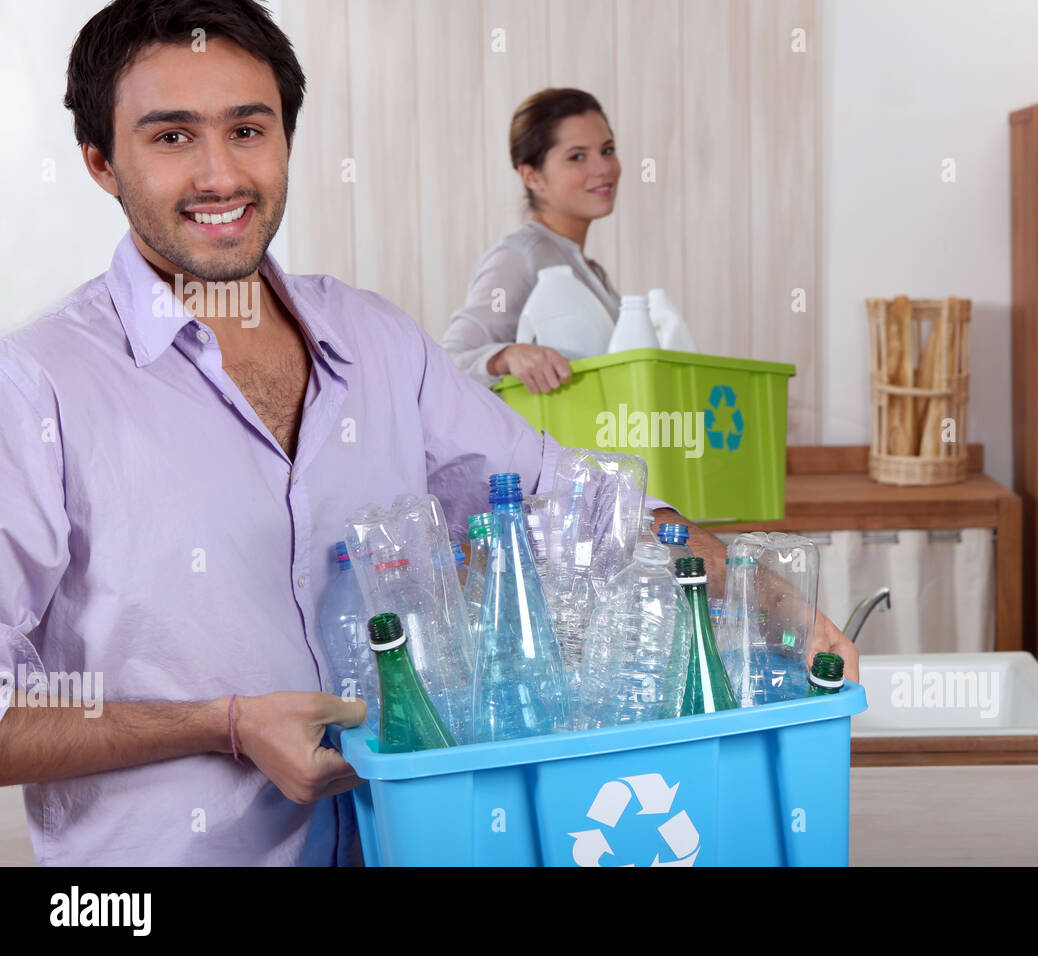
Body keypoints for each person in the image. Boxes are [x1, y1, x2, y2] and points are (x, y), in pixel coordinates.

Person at [0, 0, 858, 866]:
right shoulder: (39, 385)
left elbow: (579, 502)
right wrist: (223, 726)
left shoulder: (378, 342)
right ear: (102, 163)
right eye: (172, 137)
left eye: (248, 129)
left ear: (287, 140)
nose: (221, 175)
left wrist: (776, 603)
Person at [441, 88, 620, 394]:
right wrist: (506, 357)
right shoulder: (518, 258)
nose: (602, 168)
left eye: (607, 150)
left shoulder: (591, 272)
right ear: (532, 176)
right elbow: (450, 361)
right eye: (577, 157)